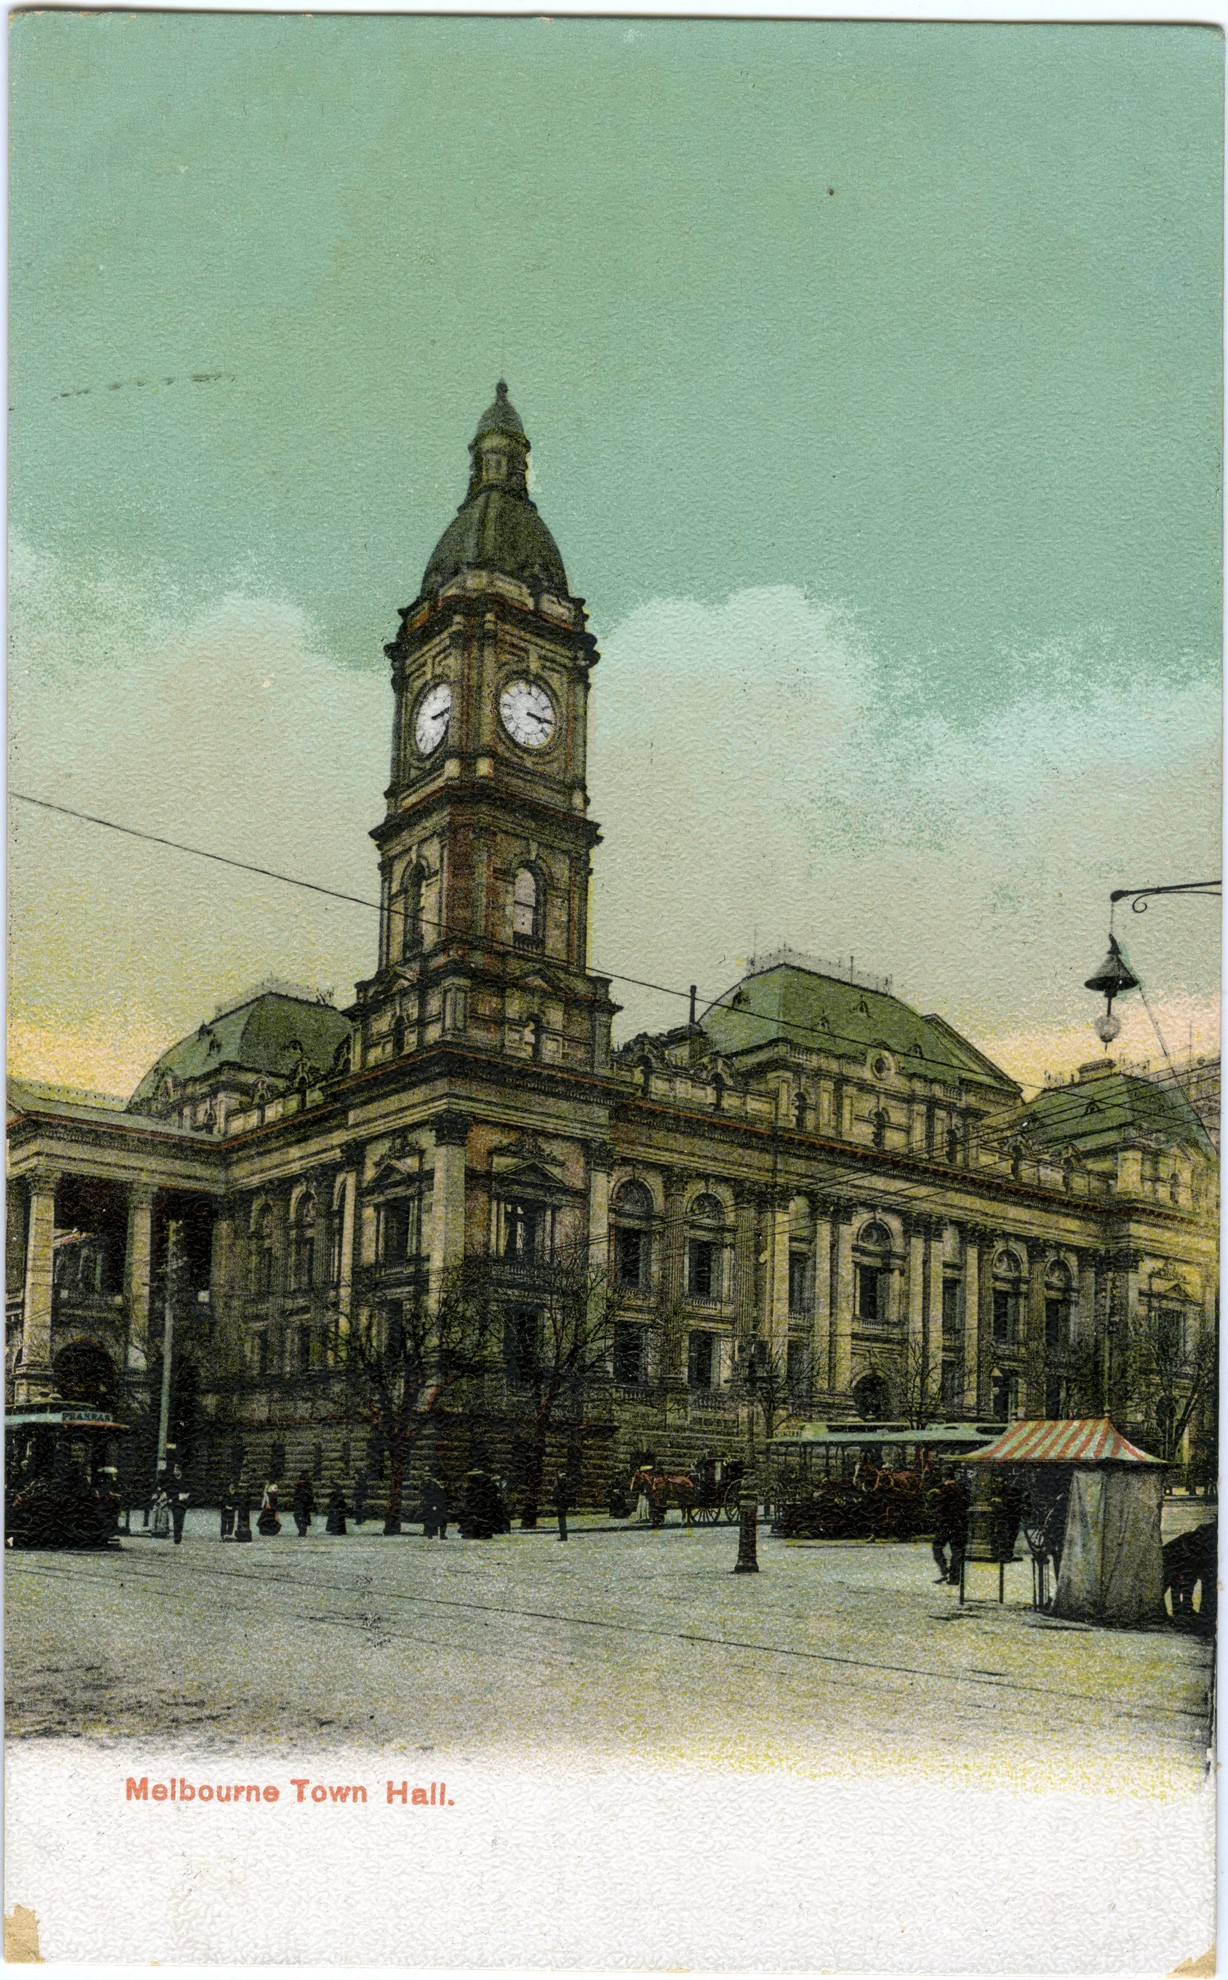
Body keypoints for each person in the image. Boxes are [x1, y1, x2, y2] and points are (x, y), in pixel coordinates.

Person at [931, 1469, 969, 1585]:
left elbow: (937, 1504)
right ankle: (954, 1578)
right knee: (957, 1551)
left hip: (946, 1525)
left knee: (937, 1547)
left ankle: (944, 1569)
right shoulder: (962, 1489)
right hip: (960, 1525)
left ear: (945, 1478)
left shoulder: (943, 1490)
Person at [422, 1474, 449, 1540]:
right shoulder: (434, 1487)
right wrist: (433, 1505)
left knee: (443, 1521)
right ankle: (430, 1534)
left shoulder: (440, 1487)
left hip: (441, 1506)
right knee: (433, 1520)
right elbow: (431, 1496)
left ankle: (442, 1534)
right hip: (436, 1506)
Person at [170, 1466, 190, 1546]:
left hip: (182, 1503)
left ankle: (178, 1535)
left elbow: (188, 1491)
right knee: (176, 1520)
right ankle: (176, 1538)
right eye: (174, 1469)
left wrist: (185, 1496)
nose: (174, 1471)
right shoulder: (172, 1480)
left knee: (180, 1521)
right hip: (175, 1503)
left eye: (176, 1470)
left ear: (180, 1471)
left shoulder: (184, 1481)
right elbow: (170, 1491)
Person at [292, 1470, 314, 1538]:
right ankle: (302, 1531)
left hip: (303, 1504)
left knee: (301, 1517)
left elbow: (309, 1496)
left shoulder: (306, 1486)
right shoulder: (303, 1486)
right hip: (301, 1504)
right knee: (301, 1517)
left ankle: (302, 1532)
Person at [554, 1469, 569, 1542]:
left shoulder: (562, 1482)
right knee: (562, 1521)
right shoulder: (562, 1481)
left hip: (561, 1503)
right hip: (562, 1502)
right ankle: (563, 1536)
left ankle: (563, 1536)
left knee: (562, 1520)